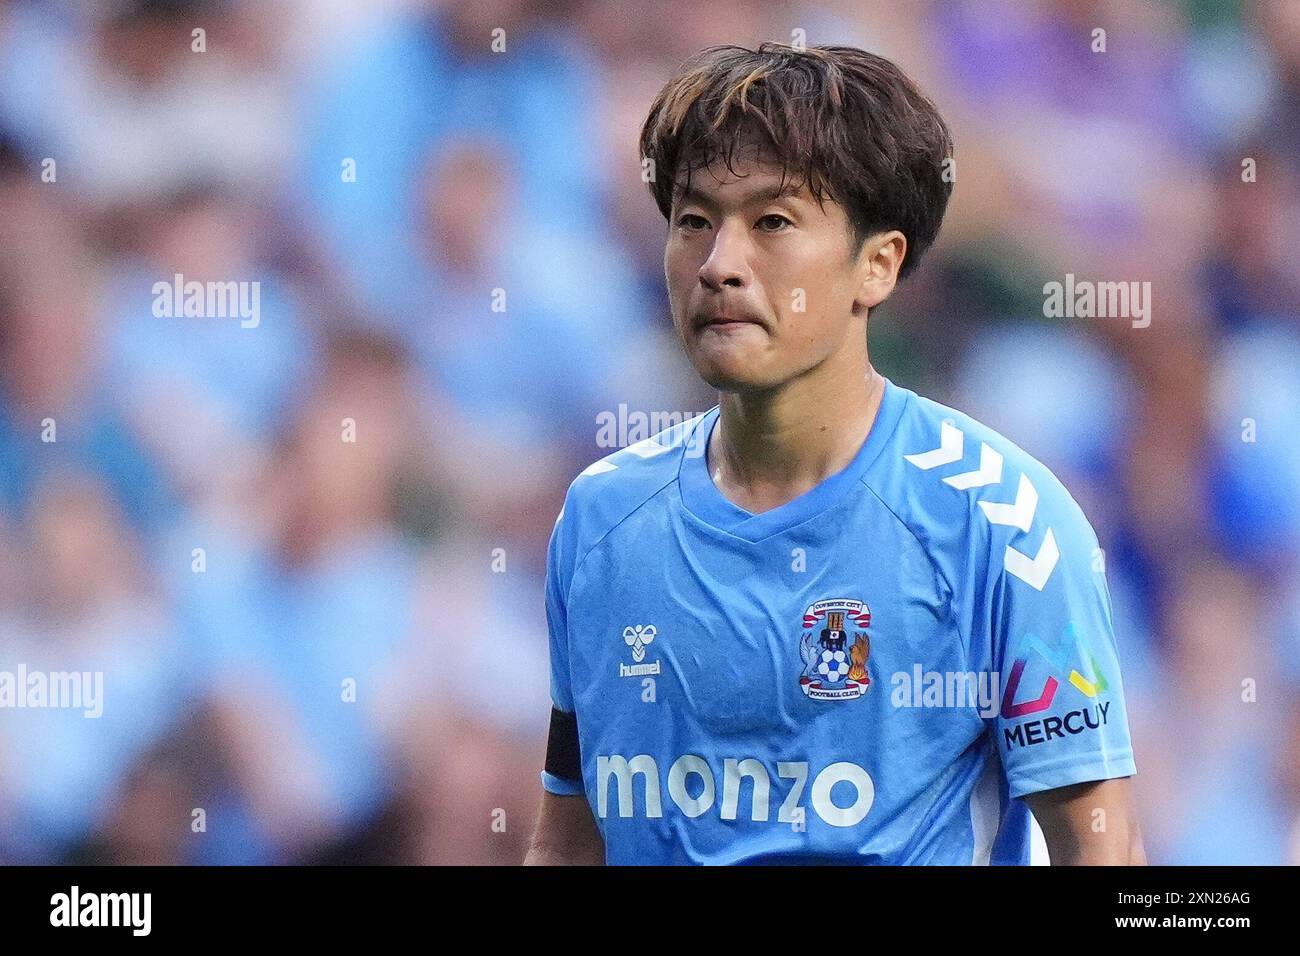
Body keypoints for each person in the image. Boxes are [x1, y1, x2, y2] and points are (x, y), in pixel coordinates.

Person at [526, 43, 1142, 865]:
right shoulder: (601, 519)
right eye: (693, 221)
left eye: (772, 223)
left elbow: (1103, 857)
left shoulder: (1004, 525)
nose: (719, 265)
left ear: (877, 265)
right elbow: (567, 848)